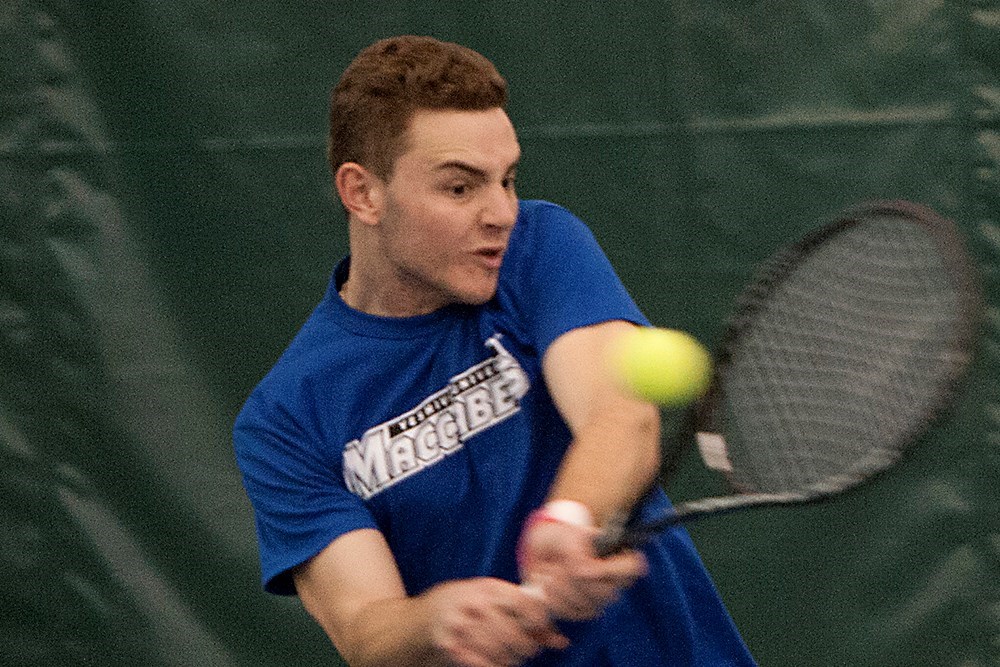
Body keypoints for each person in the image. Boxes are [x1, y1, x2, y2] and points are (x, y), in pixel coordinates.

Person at [233, 35, 756, 667]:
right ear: (363, 193)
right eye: (460, 188)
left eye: (507, 180)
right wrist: (437, 619)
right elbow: (366, 629)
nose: (501, 213)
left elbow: (620, 415)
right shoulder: (284, 420)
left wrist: (567, 520)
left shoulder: (538, 245)